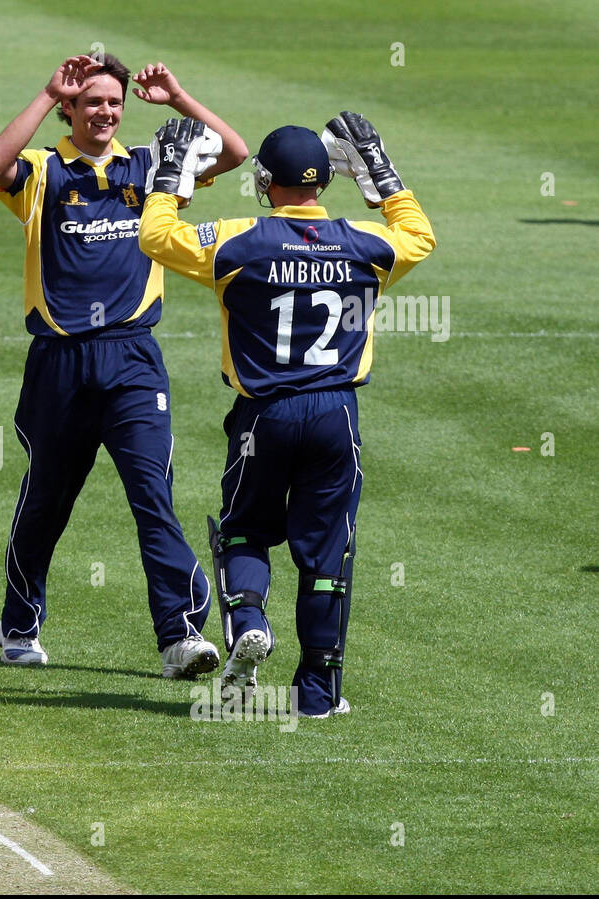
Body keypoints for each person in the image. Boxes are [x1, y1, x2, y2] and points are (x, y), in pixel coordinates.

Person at [137, 112, 436, 716]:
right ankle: (318, 696)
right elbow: (419, 234)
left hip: (263, 415)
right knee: (328, 558)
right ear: (325, 180)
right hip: (336, 415)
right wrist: (378, 169)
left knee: (245, 529)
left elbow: (155, 236)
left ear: (267, 182)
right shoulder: (366, 244)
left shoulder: (238, 240)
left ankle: (249, 618)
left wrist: (170, 173)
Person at [0, 54, 247, 677]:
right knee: (47, 500)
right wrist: (48, 90)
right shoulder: (44, 171)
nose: (104, 112)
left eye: (113, 102)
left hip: (132, 358)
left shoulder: (152, 166)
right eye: (91, 101)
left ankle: (178, 636)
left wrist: (179, 98)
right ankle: (18, 624)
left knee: (152, 496)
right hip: (59, 361)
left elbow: (234, 152)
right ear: (70, 109)